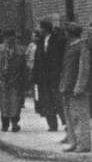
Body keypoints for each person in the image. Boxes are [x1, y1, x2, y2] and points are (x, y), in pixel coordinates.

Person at [57, 23, 90, 153]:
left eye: (66, 32)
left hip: (76, 88)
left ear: (70, 33)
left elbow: (84, 69)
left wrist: (80, 87)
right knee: (70, 117)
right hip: (67, 87)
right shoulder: (70, 47)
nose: (65, 34)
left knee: (81, 117)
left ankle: (84, 144)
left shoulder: (82, 47)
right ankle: (74, 142)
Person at [0, 30, 29, 132]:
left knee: (15, 103)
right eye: (7, 38)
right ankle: (5, 124)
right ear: (4, 38)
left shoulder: (21, 50)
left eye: (12, 38)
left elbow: (24, 67)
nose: (10, 40)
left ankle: (15, 123)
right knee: (3, 103)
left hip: (16, 80)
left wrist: (24, 80)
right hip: (1, 80)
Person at [33, 18, 66, 133]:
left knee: (58, 99)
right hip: (43, 77)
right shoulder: (40, 42)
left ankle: (66, 123)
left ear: (45, 29)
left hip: (55, 76)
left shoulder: (58, 40)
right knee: (46, 101)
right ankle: (52, 125)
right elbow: (37, 60)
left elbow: (61, 58)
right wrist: (35, 76)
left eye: (40, 28)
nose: (38, 30)